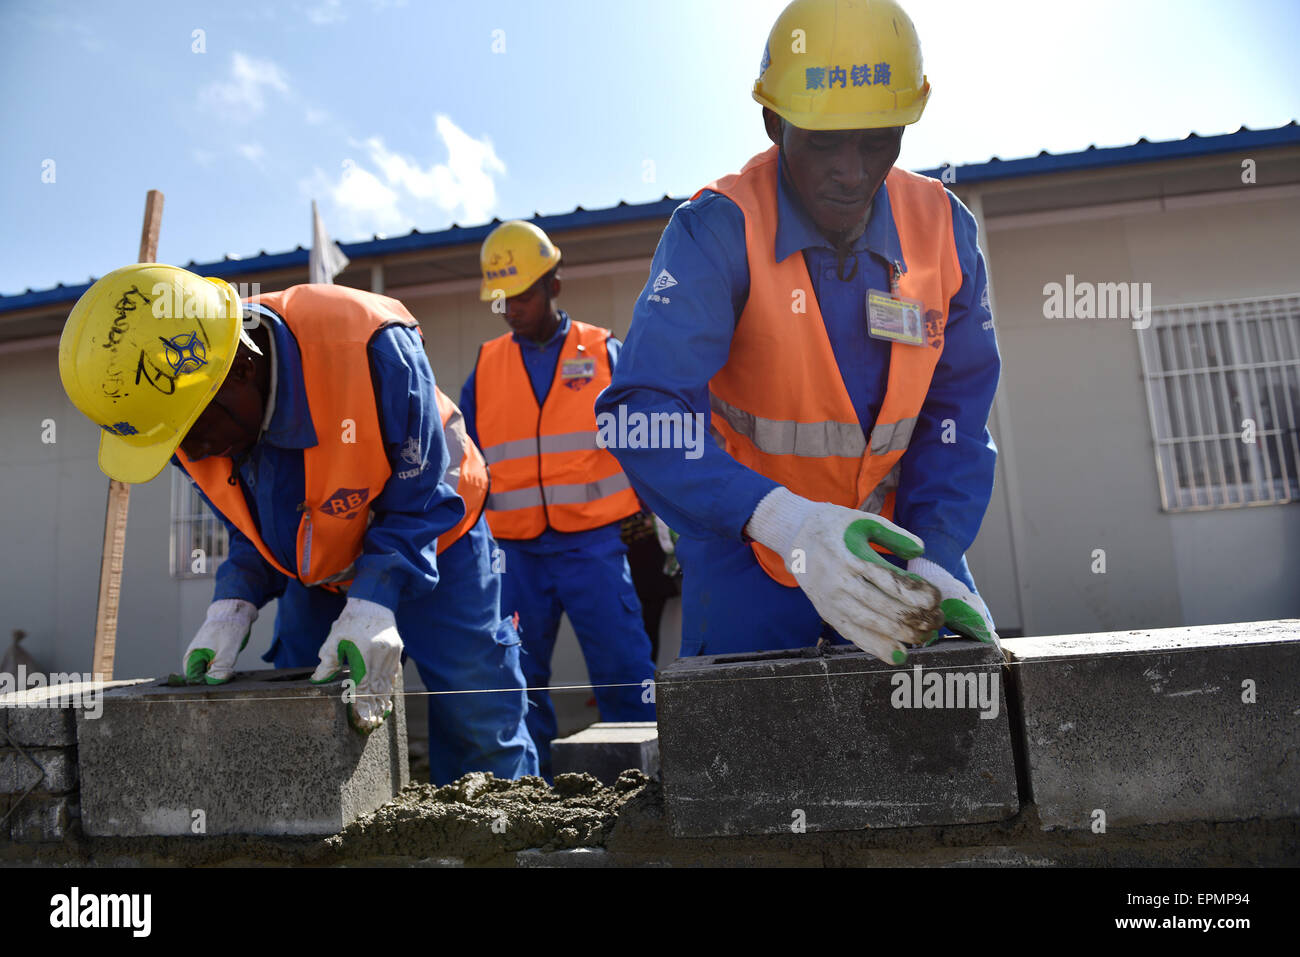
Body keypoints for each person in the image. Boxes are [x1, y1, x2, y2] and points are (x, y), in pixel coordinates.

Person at [596, 0, 1001, 663]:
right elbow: (642, 412)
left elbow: (956, 417)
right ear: (773, 122)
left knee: (943, 743)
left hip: (899, 551)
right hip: (747, 553)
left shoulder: (945, 231)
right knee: (750, 755)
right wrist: (784, 520)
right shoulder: (719, 229)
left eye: (877, 139)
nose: (852, 169)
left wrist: (934, 553)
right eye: (823, 140)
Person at [58, 264, 538, 784]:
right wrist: (233, 603)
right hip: (321, 571)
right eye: (170, 440)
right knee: (306, 715)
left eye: (190, 432)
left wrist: (376, 596)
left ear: (239, 367)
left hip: (438, 539)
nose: (188, 453)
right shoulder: (187, 419)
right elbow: (254, 523)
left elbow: (419, 489)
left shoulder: (368, 341)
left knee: (477, 714)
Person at [459, 220, 656, 780]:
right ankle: (533, 799)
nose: (510, 309)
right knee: (516, 682)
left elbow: (643, 441)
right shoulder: (487, 364)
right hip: (516, 557)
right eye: (501, 300)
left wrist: (659, 515)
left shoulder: (604, 351)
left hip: (594, 548)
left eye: (521, 295)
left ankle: (641, 789)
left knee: (624, 671)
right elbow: (466, 462)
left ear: (554, 285)